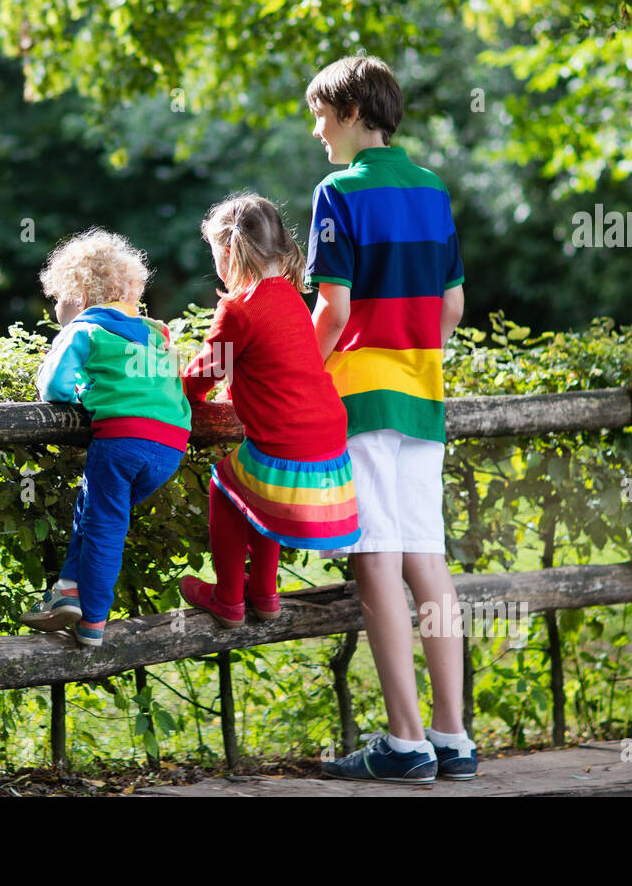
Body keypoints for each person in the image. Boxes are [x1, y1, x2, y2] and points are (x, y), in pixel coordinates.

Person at [305, 55, 477, 782]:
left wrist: (302, 374)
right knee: (427, 560)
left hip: (361, 400)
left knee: (374, 555)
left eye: (319, 114)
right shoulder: (433, 190)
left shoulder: (337, 190)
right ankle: (454, 736)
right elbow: (453, 307)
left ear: (349, 112)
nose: (315, 130)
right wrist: (411, 355)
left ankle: (405, 745)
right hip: (423, 395)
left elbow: (333, 309)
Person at [178, 192, 360, 628]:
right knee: (258, 491)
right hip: (330, 441)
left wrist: (181, 399)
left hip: (288, 443)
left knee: (226, 485)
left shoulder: (238, 307)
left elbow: (206, 372)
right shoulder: (292, 299)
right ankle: (264, 593)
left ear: (227, 253)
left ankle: (228, 598)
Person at [20, 228, 191, 647]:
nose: (57, 306)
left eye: (58, 297)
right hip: (170, 447)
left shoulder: (84, 328)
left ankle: (91, 623)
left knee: (103, 528)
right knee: (96, 515)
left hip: (121, 442)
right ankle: (67, 593)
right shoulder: (157, 333)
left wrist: (78, 390)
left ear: (77, 295)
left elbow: (54, 386)